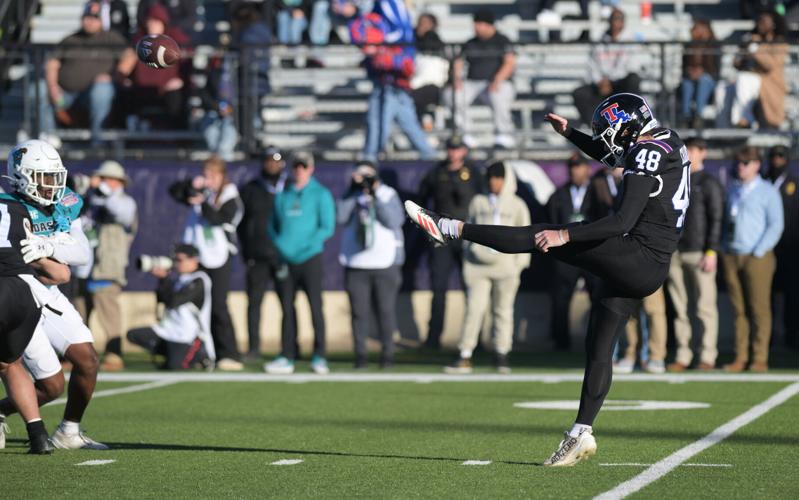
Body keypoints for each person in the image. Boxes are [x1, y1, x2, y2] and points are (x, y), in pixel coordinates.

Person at [406, 93, 691, 466]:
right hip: (650, 264)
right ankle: (580, 433)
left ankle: (450, 227)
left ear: (627, 126)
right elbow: (615, 156)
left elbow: (622, 221)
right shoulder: (666, 140)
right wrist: (571, 133)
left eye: (609, 132)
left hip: (636, 254)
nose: (607, 140)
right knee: (599, 346)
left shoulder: (646, 152)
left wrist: (566, 236)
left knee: (542, 234)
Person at [0, 140, 108, 451]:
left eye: (53, 176)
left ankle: (69, 431)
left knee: (87, 360)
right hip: (22, 292)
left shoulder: (65, 202)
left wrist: (48, 247)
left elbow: (82, 252)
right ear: (21, 176)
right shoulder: (8, 207)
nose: (51, 185)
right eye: (43, 177)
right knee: (51, 386)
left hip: (50, 292)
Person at [0, 193, 72, 455]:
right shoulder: (17, 207)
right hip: (28, 294)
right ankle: (37, 435)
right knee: (9, 364)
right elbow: (62, 274)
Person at [445, 162, 530, 374]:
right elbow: (467, 230)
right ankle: (465, 354)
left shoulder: (517, 204)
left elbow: (527, 235)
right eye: (491, 177)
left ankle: (501, 353)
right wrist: (469, 256)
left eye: (498, 177)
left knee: (503, 310)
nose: (494, 181)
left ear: (506, 179)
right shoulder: (478, 201)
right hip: (478, 266)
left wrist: (519, 265)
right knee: (475, 309)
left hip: (506, 266)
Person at [265, 152, 335, 375]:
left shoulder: (321, 194)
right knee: (286, 307)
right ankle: (287, 354)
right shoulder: (282, 194)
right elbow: (272, 226)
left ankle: (319, 355)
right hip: (286, 259)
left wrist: (307, 246)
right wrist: (281, 246)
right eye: (296, 166)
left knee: (315, 307)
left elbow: (327, 227)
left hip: (310, 258)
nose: (300, 170)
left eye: (304, 166)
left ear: (311, 169)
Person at [171, 157, 244, 371]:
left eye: (214, 176)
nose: (209, 180)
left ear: (222, 177)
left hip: (219, 259)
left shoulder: (230, 198)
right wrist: (191, 187)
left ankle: (229, 353)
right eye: (207, 175)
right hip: (198, 258)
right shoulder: (202, 193)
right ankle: (198, 351)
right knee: (195, 305)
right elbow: (174, 191)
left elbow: (218, 219)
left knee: (218, 305)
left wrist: (202, 200)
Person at [416, 134, 481, 350]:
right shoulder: (437, 172)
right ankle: (434, 338)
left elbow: (482, 201)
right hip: (442, 235)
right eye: (450, 149)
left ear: (464, 150)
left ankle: (475, 339)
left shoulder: (473, 172)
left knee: (473, 288)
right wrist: (428, 226)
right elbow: (422, 200)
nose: (453, 153)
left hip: (466, 233)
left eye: (457, 149)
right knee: (439, 287)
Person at [722, 146, 784, 372]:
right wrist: (724, 247)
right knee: (739, 310)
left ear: (757, 165)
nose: (741, 167)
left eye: (746, 163)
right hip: (733, 253)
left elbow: (776, 224)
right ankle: (741, 357)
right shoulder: (733, 189)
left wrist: (759, 250)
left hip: (758, 256)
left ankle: (759, 357)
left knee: (759, 309)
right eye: (738, 162)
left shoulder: (767, 191)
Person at [337, 161, 404, 369]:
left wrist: (374, 195)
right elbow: (340, 217)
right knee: (359, 313)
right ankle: (360, 355)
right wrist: (353, 191)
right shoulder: (351, 195)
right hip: (357, 263)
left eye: (368, 176)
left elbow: (394, 221)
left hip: (384, 262)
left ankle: (388, 355)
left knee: (385, 311)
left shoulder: (388, 193)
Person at [37, 1, 133, 145]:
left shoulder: (110, 38)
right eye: (87, 17)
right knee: (40, 89)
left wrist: (115, 77)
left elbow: (130, 55)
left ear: (101, 20)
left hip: (90, 95)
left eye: (94, 17)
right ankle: (49, 140)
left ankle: (98, 141)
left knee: (102, 91)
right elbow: (52, 63)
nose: (90, 21)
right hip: (65, 95)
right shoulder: (71, 39)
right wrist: (52, 86)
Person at [666, 137, 723, 371]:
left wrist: (712, 250)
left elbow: (717, 218)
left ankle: (708, 355)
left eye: (693, 150)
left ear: (703, 153)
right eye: (685, 149)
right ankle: (683, 354)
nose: (688, 153)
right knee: (681, 308)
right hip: (675, 250)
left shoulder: (708, 182)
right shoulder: (674, 178)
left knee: (704, 307)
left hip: (699, 251)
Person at [356, 0, 435, 161]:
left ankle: (371, 159)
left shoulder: (400, 30)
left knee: (381, 124)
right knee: (384, 124)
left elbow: (404, 63)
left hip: (395, 87)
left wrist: (380, 50)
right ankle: (371, 158)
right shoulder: (387, 24)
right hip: (386, 86)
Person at [81, 161, 138, 372]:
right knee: (78, 312)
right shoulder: (92, 201)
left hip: (108, 265)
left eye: (107, 179)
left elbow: (120, 213)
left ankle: (114, 353)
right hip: (84, 265)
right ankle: (78, 356)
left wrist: (103, 192)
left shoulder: (125, 202)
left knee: (108, 311)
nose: (102, 182)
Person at [127, 244, 213, 370]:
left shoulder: (200, 280)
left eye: (179, 260)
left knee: (173, 367)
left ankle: (198, 356)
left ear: (194, 260)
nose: (176, 263)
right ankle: (172, 353)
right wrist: (162, 280)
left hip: (188, 336)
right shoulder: (179, 280)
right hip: (168, 330)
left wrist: (166, 279)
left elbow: (174, 301)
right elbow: (164, 300)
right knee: (134, 335)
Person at [238, 147, 288, 360]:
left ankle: (289, 347)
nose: (272, 165)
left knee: (287, 303)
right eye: (268, 161)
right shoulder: (251, 189)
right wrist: (246, 250)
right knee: (254, 304)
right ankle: (254, 348)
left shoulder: (290, 188)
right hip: (257, 256)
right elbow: (241, 224)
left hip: (283, 256)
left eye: (276, 161)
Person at [545, 154, 598, 351]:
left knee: (598, 296)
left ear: (587, 169)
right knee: (561, 298)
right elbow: (550, 219)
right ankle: (561, 342)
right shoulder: (559, 195)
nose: (575, 170)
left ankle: (595, 340)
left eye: (579, 166)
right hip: (567, 254)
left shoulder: (596, 192)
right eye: (572, 167)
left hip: (591, 251)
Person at [447, 9, 517, 149]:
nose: (476, 27)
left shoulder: (502, 40)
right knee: (451, 95)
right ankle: (466, 134)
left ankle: (504, 135)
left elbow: (510, 63)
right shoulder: (470, 42)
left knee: (498, 94)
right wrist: (456, 78)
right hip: (473, 83)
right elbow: (458, 63)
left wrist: (498, 79)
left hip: (497, 83)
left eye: (479, 23)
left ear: (489, 25)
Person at [120, 4, 191, 130]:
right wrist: (126, 79)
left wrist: (181, 80)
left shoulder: (175, 42)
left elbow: (185, 67)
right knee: (125, 93)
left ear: (164, 24)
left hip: (167, 89)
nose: (153, 26)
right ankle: (129, 133)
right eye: (150, 22)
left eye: (157, 22)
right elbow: (124, 69)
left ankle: (177, 136)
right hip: (142, 88)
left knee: (177, 98)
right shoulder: (138, 43)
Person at [572, 9, 640, 127]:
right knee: (579, 93)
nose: (614, 23)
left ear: (623, 23)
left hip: (620, 85)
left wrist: (609, 81)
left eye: (618, 20)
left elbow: (630, 66)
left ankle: (629, 121)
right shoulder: (599, 41)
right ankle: (596, 126)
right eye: (612, 19)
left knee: (633, 80)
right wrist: (600, 81)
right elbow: (592, 65)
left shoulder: (630, 41)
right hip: (602, 84)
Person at [730, 11, 788, 129]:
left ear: (773, 24)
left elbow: (771, 65)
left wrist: (755, 49)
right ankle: (724, 132)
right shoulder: (751, 39)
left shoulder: (779, 43)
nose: (760, 24)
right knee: (722, 89)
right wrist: (744, 48)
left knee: (744, 79)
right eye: (759, 21)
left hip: (769, 81)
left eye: (764, 21)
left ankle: (744, 120)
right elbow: (736, 63)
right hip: (750, 80)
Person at [765, 145, 799, 349]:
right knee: (764, 296)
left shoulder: (794, 184)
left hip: (791, 248)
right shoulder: (763, 181)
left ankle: (792, 336)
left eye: (781, 156)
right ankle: (767, 337)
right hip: (767, 248)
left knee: (792, 295)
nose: (777, 160)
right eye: (774, 156)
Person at [616, 287, 667, 374]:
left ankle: (656, 358)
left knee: (654, 309)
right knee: (630, 310)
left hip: (651, 274)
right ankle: (631, 355)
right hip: (629, 274)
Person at [411, 13, 448, 130]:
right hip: (414, 85)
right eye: (420, 24)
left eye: (426, 24)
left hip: (435, 86)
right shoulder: (409, 42)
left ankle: (434, 123)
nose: (422, 27)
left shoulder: (438, 44)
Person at [681, 19, 720, 128]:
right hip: (692, 79)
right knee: (686, 83)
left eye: (697, 28)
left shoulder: (714, 45)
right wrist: (690, 72)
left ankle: (698, 116)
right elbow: (683, 69)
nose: (693, 30)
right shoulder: (689, 46)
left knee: (704, 79)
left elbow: (715, 69)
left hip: (709, 80)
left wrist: (702, 71)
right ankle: (686, 116)